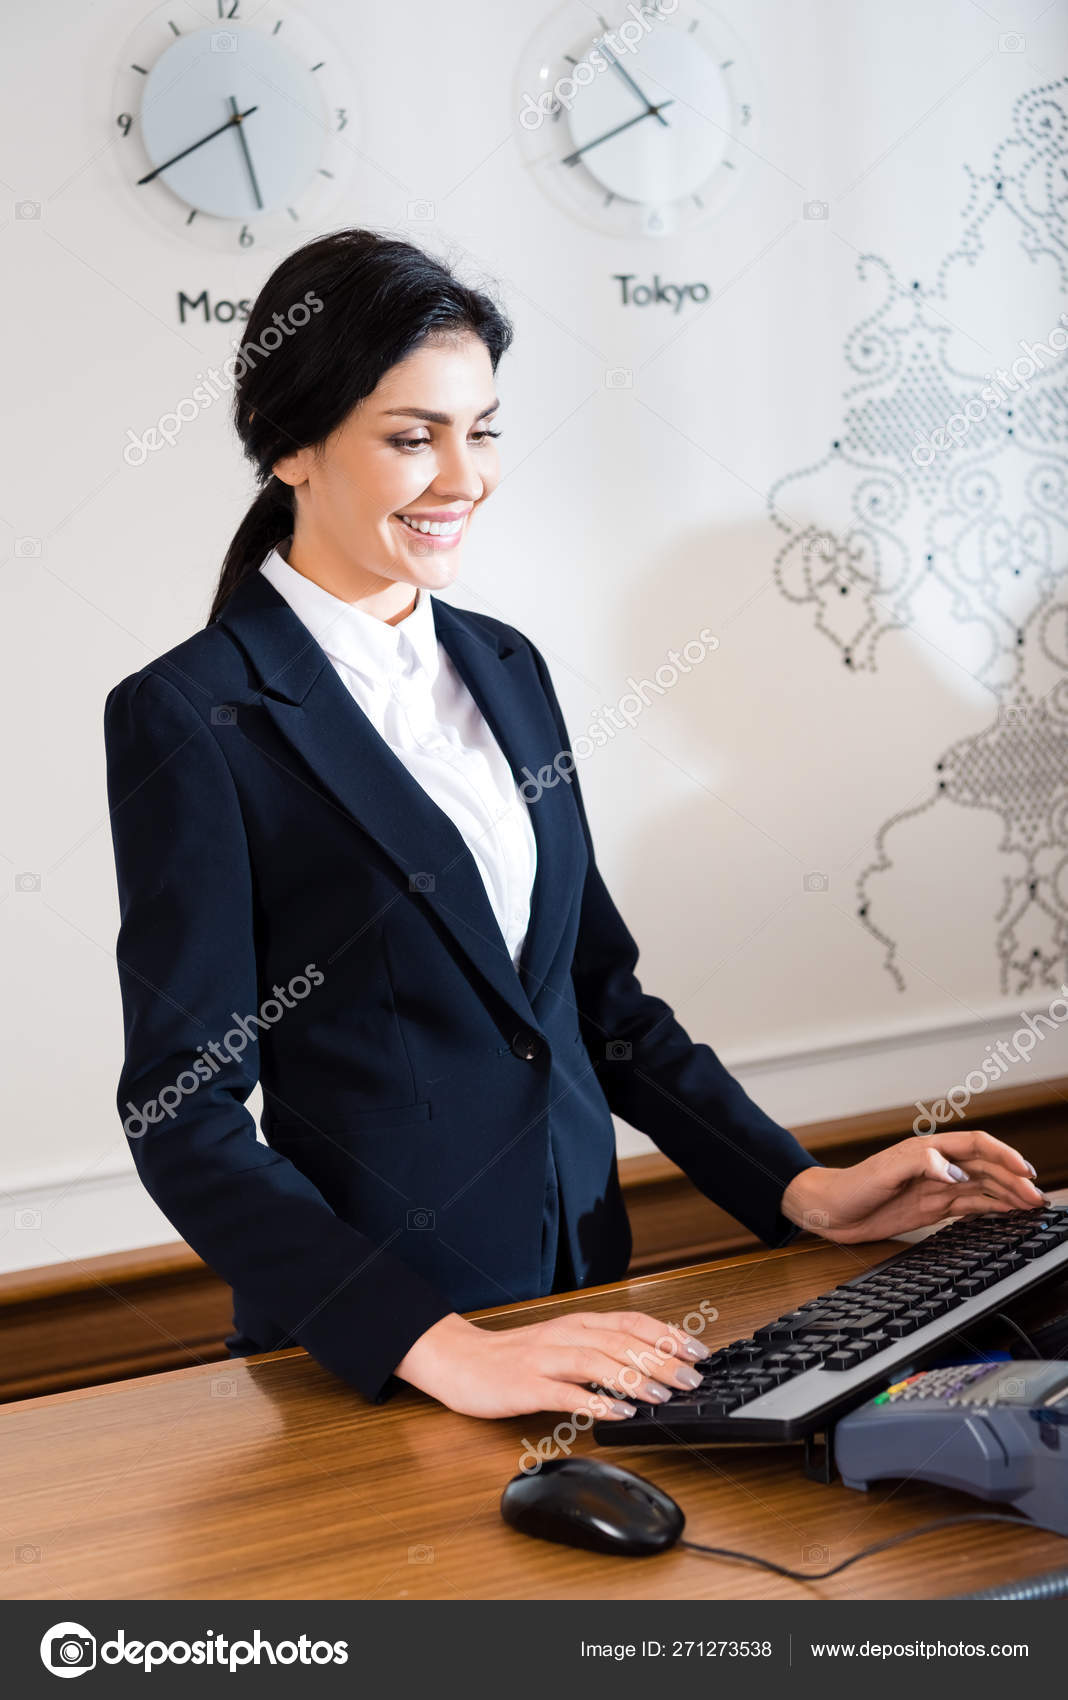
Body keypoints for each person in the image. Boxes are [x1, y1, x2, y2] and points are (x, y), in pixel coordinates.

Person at [104, 229, 1046, 1425]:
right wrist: (438, 1345)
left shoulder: (506, 665)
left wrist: (800, 1185)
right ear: (292, 446)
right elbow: (179, 1116)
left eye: (482, 427)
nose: (465, 475)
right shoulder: (192, 711)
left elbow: (599, 1004)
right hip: (388, 1358)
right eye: (412, 436)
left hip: (592, 1296)